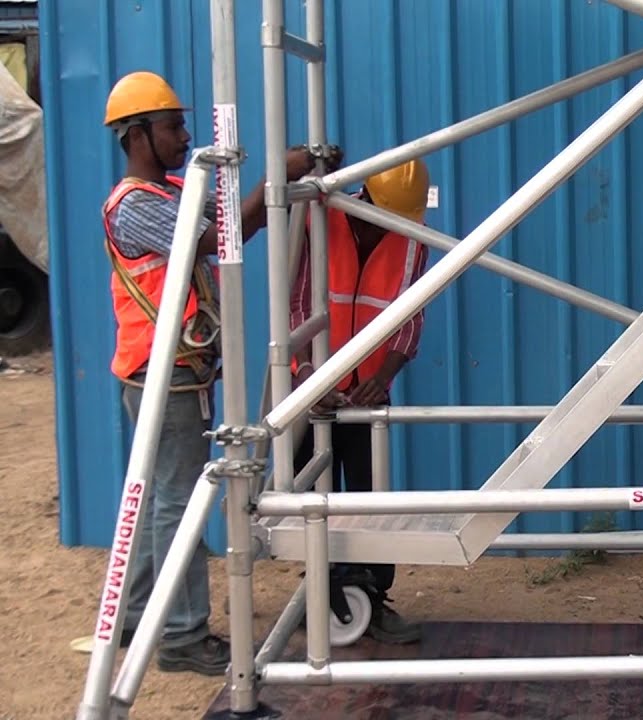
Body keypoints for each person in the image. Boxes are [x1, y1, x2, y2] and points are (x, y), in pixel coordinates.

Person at [99, 70, 315, 674]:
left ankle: (139, 615)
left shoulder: (170, 190)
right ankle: (182, 634)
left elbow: (236, 224)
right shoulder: (135, 206)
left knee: (158, 497)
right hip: (162, 373)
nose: (183, 136)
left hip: (169, 370)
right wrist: (273, 180)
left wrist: (276, 187)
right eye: (172, 127)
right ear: (136, 135)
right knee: (176, 501)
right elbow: (218, 237)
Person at [288, 158, 431, 645]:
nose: (394, 228)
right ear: (366, 200)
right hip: (313, 390)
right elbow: (297, 303)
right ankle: (320, 593)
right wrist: (307, 375)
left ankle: (372, 593)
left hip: (366, 395)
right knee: (311, 496)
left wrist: (384, 377)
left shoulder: (411, 239)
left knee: (371, 496)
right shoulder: (320, 222)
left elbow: (411, 316)